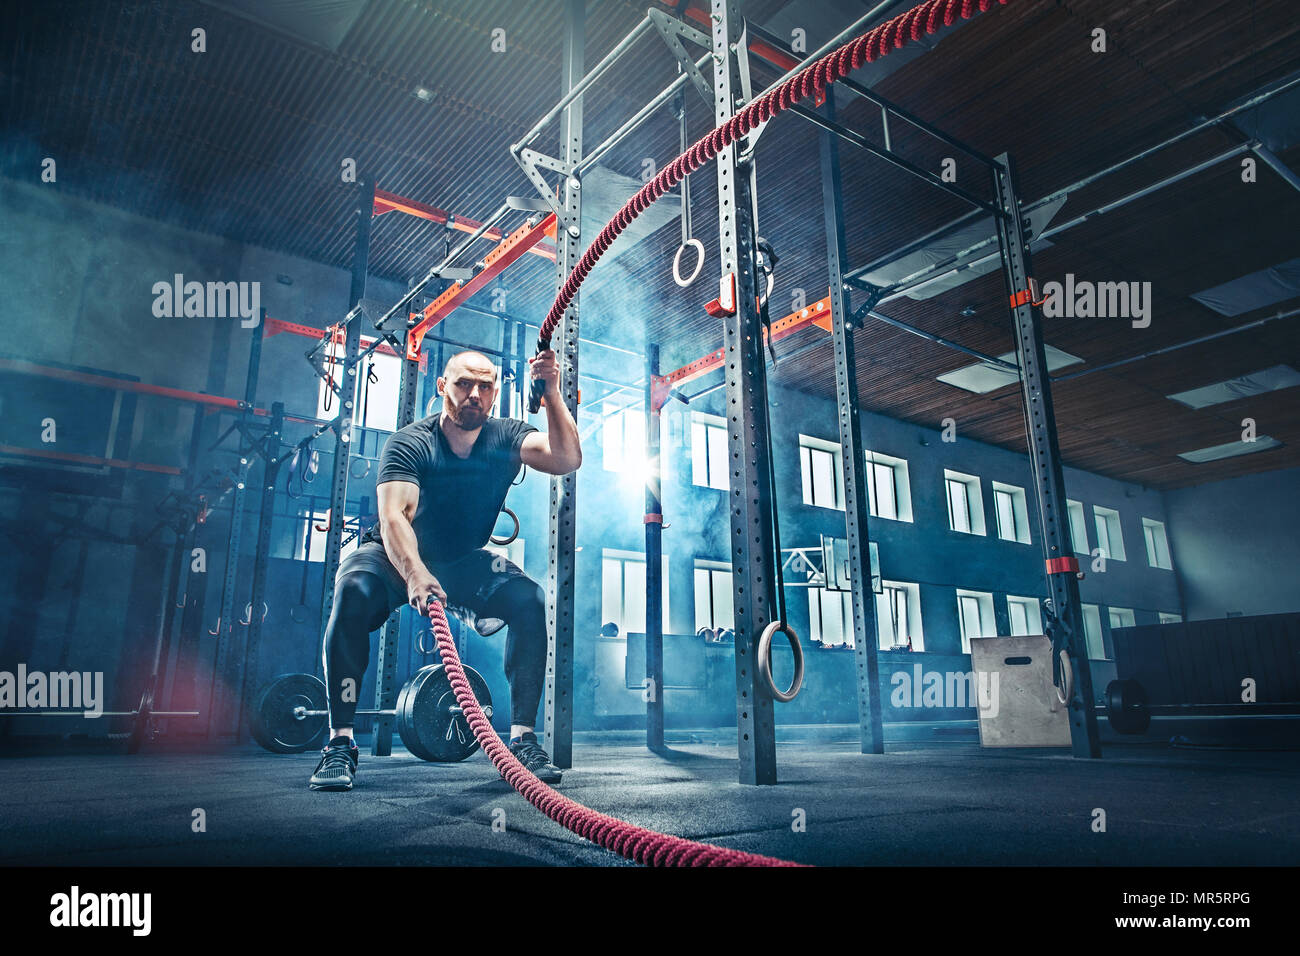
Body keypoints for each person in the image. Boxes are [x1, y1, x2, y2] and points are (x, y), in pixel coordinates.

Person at [310, 348, 582, 791]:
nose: (474, 394)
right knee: (354, 591)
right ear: (442, 387)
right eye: (463, 384)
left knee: (529, 598)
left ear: (495, 393)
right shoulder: (410, 443)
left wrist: (552, 393)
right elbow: (394, 517)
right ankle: (340, 743)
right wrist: (415, 572)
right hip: (394, 555)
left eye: (485, 386)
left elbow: (566, 459)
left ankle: (523, 739)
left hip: (461, 560)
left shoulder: (507, 436)